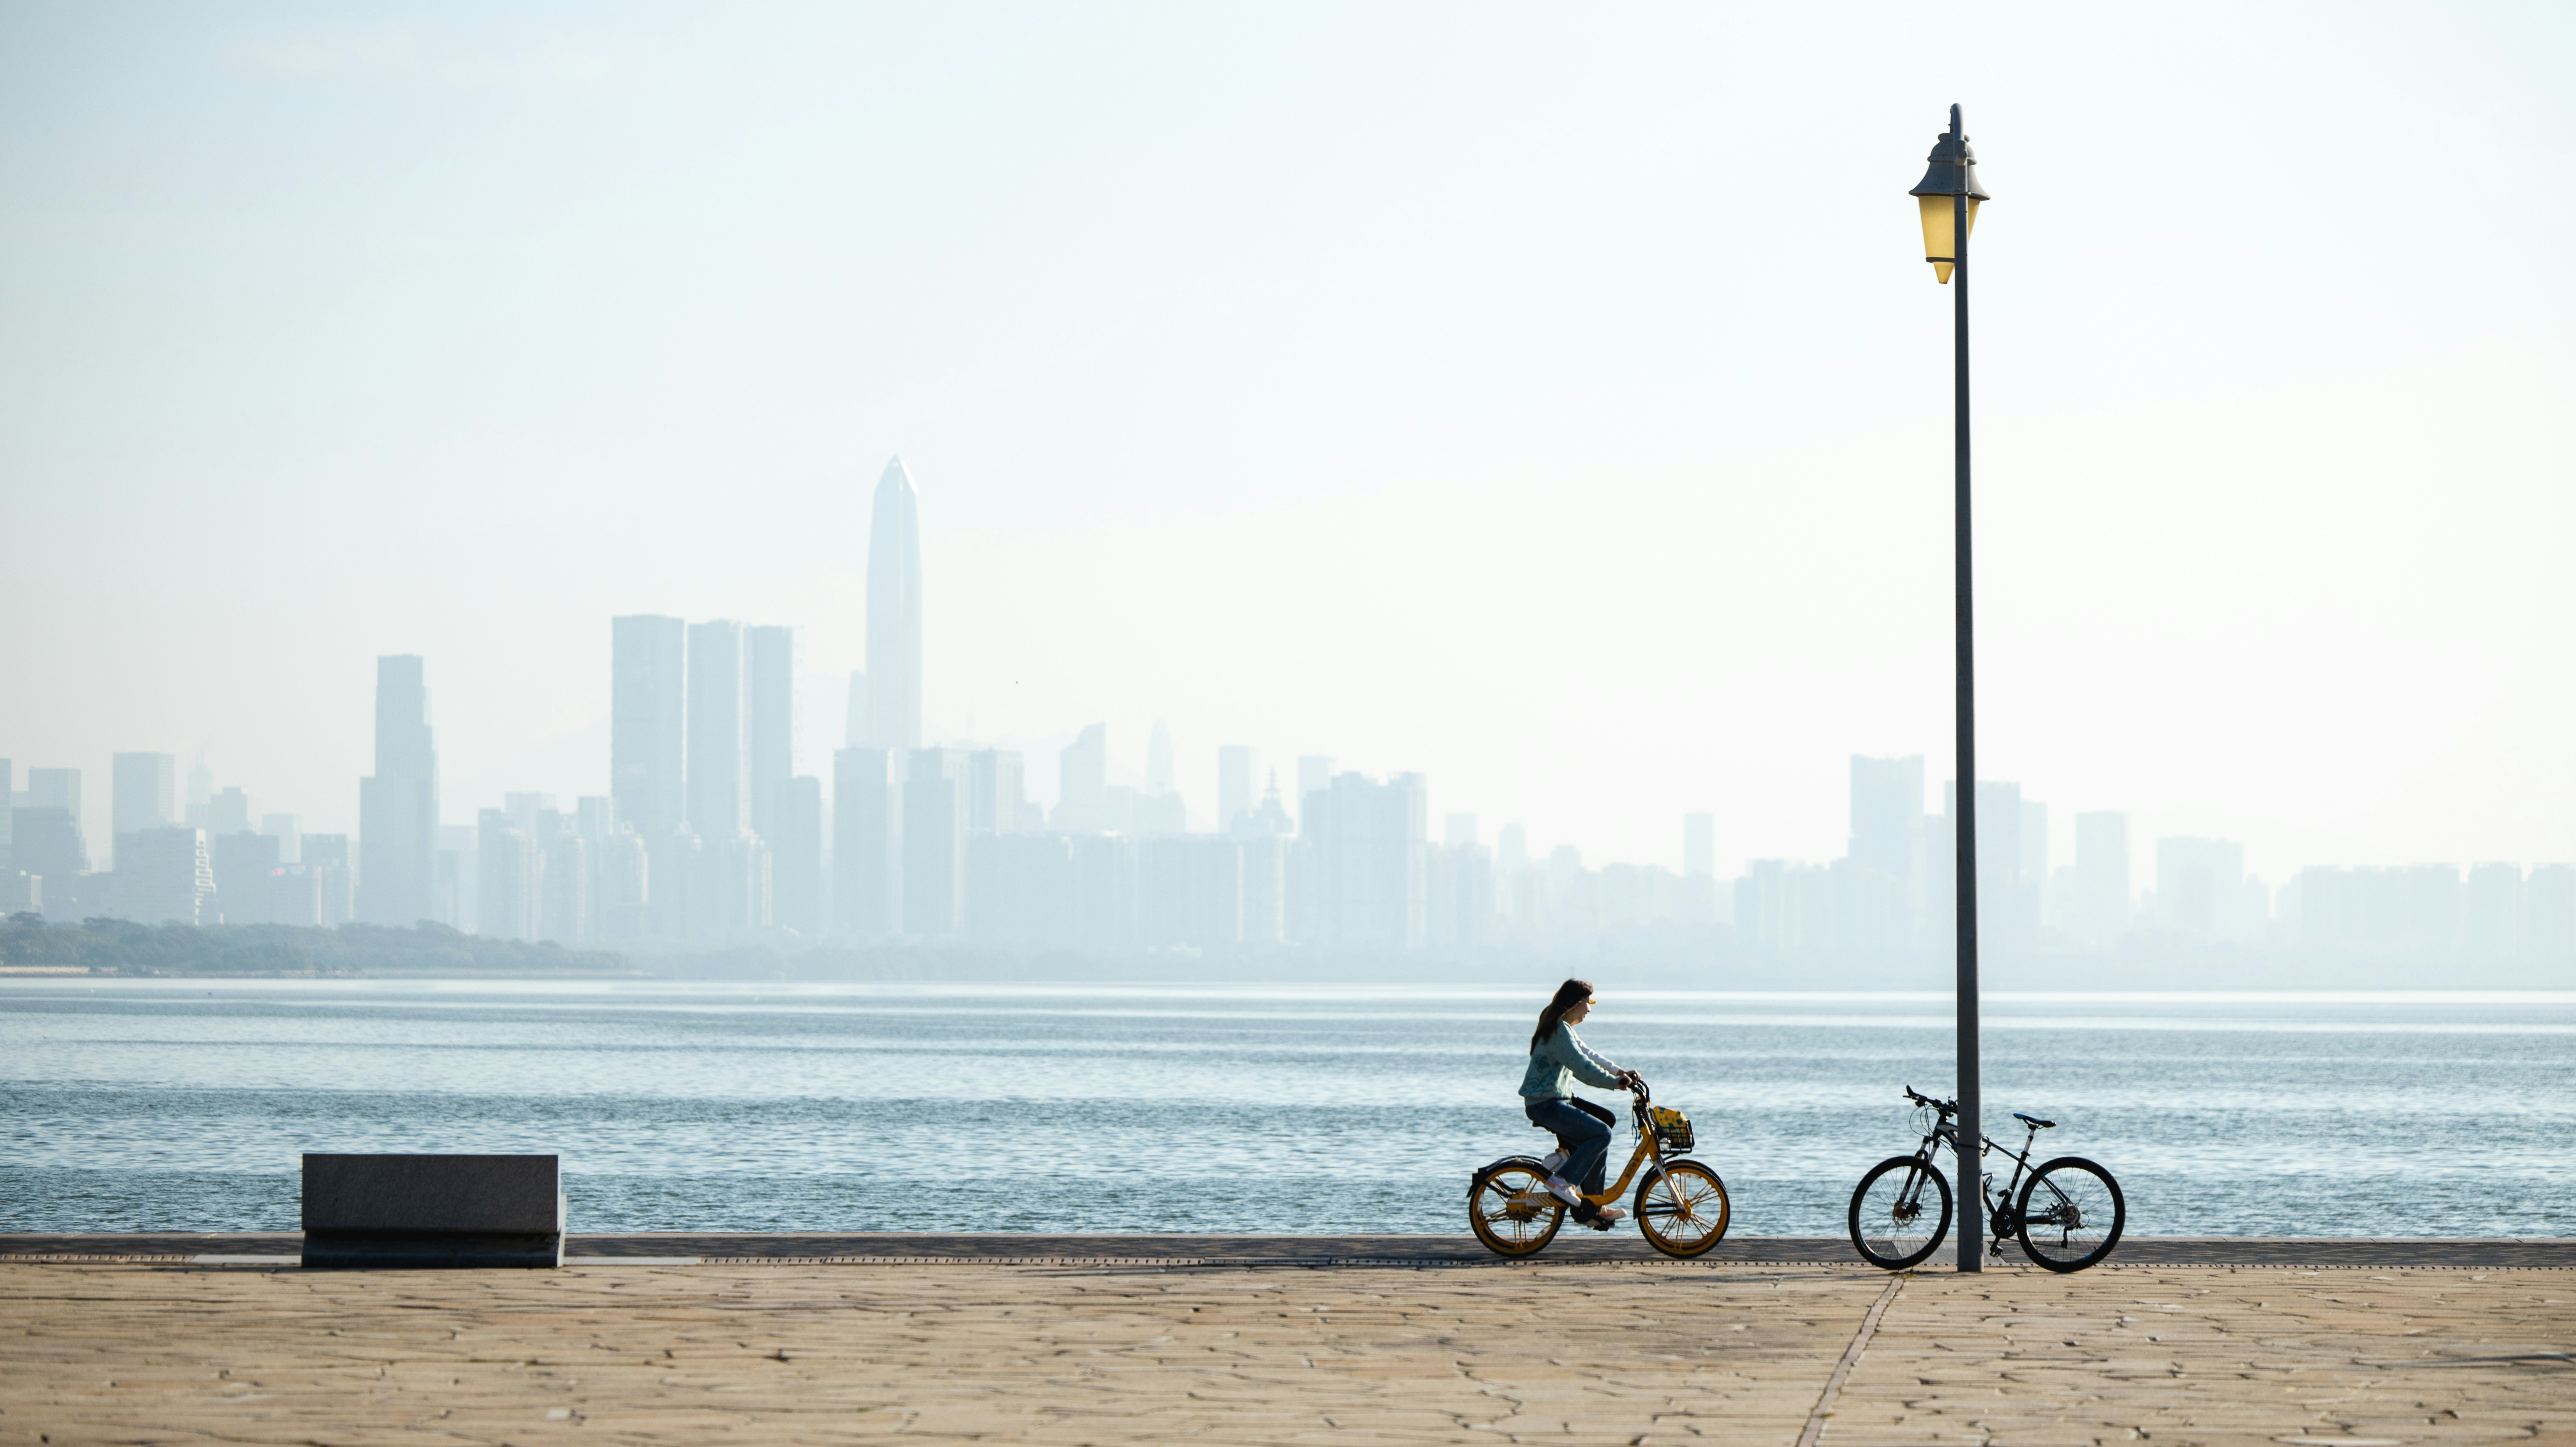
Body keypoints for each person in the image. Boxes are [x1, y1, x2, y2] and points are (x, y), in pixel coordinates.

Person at [1519, 978, 1642, 1228]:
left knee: (1606, 1123)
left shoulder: (1563, 1028)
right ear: (1576, 1003)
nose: (1589, 1008)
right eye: (1588, 1002)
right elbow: (1582, 1067)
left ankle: (1592, 1205)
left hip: (1557, 1099)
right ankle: (1561, 1182)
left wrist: (1619, 1072)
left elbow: (1588, 1054)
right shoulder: (1558, 1030)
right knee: (1602, 1134)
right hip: (1546, 1104)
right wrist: (1613, 1083)